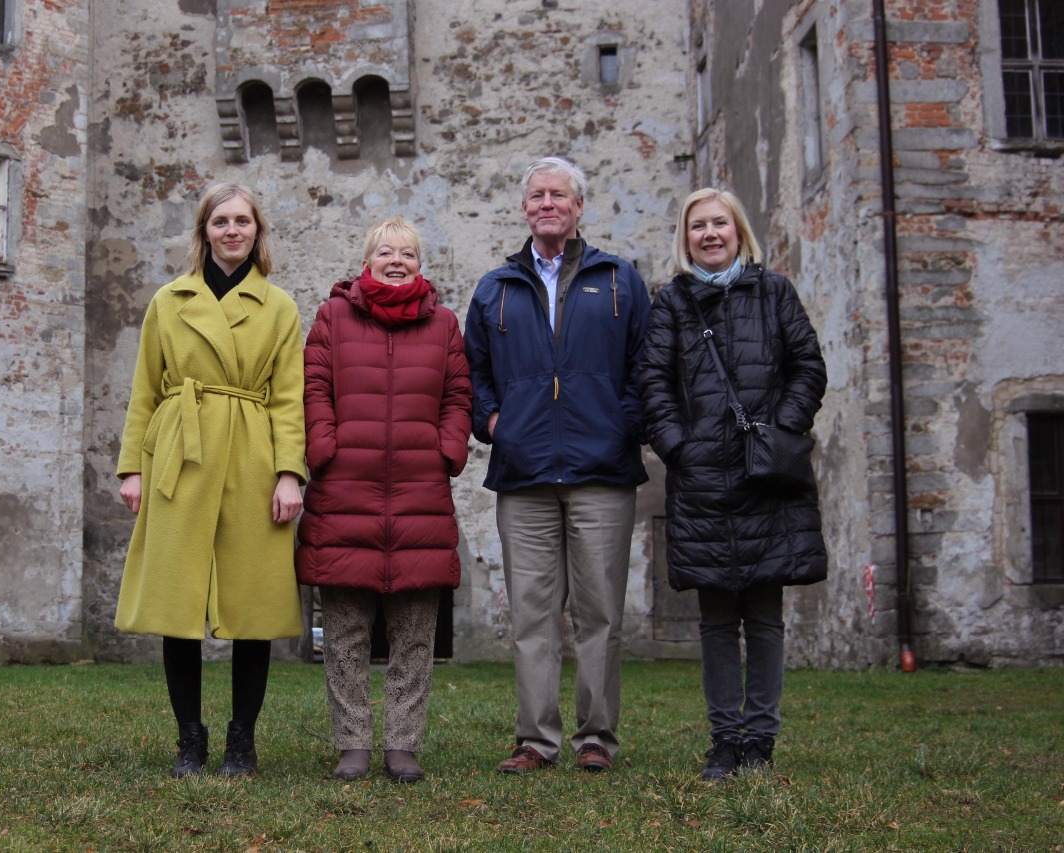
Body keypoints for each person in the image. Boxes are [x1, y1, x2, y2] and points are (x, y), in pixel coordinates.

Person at [464, 156, 651, 774]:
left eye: (559, 196)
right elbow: (474, 376)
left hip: (602, 471)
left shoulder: (620, 279)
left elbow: (645, 369)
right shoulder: (496, 288)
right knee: (532, 615)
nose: (548, 204)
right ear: (525, 209)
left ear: (577, 207)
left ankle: (596, 737)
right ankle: (536, 741)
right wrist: (495, 424)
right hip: (525, 475)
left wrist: (622, 424)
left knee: (599, 612)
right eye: (537, 196)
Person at [114, 183, 306, 779]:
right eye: (220, 221)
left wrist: (289, 474)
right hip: (181, 452)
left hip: (251, 454)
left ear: (257, 232)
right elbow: (145, 388)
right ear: (204, 232)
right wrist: (131, 469)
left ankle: (241, 742)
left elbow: (289, 401)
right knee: (178, 604)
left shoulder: (279, 307)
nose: (232, 231)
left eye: (243, 221)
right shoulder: (168, 302)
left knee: (252, 605)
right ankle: (189, 739)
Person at [638, 187, 828, 781]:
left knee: (765, 613)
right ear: (686, 237)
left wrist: (781, 427)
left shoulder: (774, 293)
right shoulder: (671, 303)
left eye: (720, 223)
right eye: (699, 226)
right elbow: (652, 383)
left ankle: (761, 742)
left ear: (739, 231)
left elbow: (808, 367)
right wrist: (678, 447)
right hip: (702, 480)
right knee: (718, 617)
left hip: (766, 475)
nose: (710, 234)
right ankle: (725, 740)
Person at [298, 216, 472, 784]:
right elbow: (315, 385)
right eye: (385, 252)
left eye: (407, 253)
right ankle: (352, 743)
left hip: (421, 490)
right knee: (345, 630)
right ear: (366, 260)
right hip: (346, 487)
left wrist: (446, 448)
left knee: (414, 632)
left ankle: (402, 744)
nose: (396, 261)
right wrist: (326, 446)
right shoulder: (332, 317)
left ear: (420, 263)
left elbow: (458, 395)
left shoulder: (445, 324)